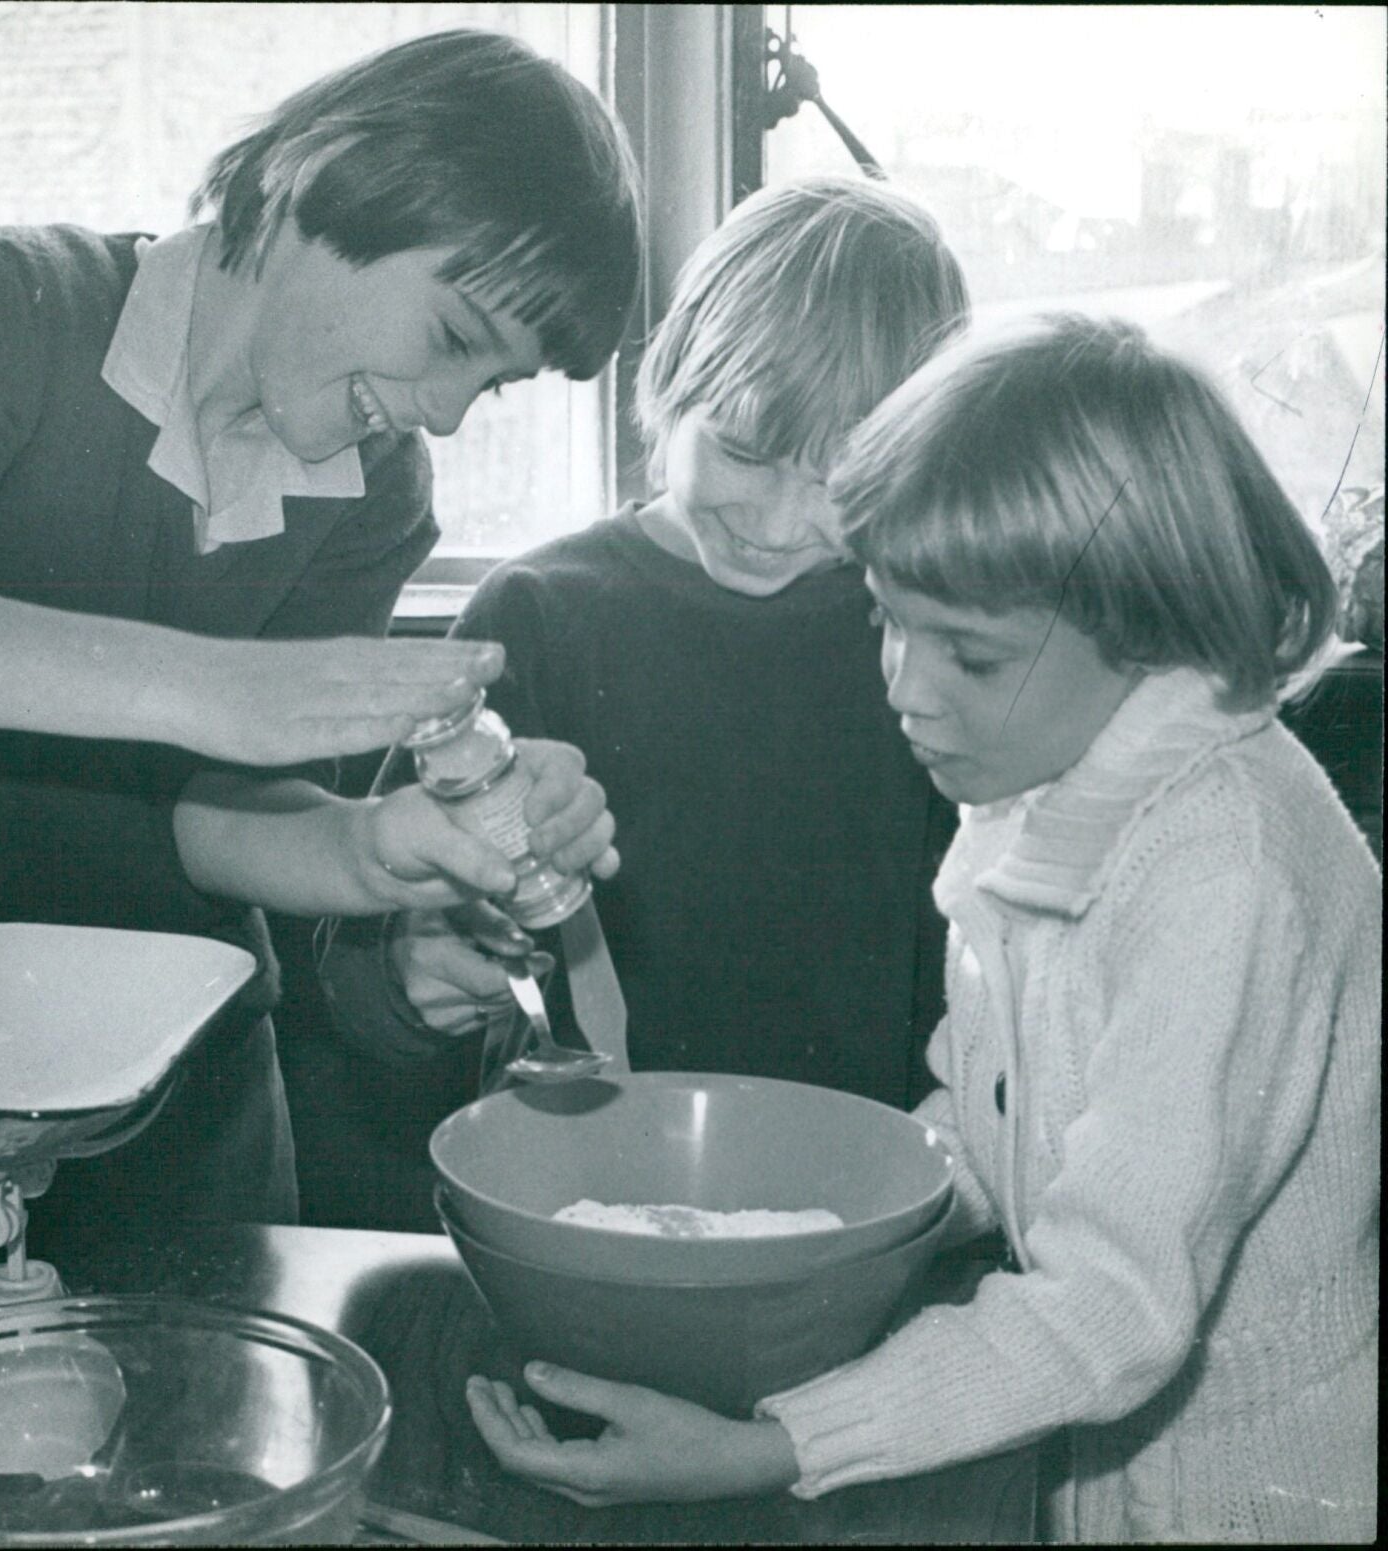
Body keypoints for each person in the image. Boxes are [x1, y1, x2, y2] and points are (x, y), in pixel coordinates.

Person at [467, 313, 1382, 1544]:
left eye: (965, 652)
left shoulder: (1224, 863)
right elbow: (988, 1125)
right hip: (1092, 1460)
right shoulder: (1040, 775)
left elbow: (1110, 1301)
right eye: (886, 618)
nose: (903, 682)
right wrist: (779, 1240)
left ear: (1149, 624)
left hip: (1262, 1493)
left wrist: (772, 1445)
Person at [0, 30, 642, 1236]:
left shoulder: (375, 490)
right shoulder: (25, 304)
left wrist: (374, 849)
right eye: (454, 339)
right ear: (323, 178)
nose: (447, 411)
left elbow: (223, 815)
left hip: (188, 1110)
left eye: (493, 385)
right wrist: (208, 687)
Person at [307, 178, 969, 1229]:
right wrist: (409, 973)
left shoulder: (926, 641)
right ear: (667, 383)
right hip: (577, 1213)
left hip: (859, 1217)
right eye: (743, 451)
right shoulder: (537, 616)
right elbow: (361, 975)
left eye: (843, 484)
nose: (780, 518)